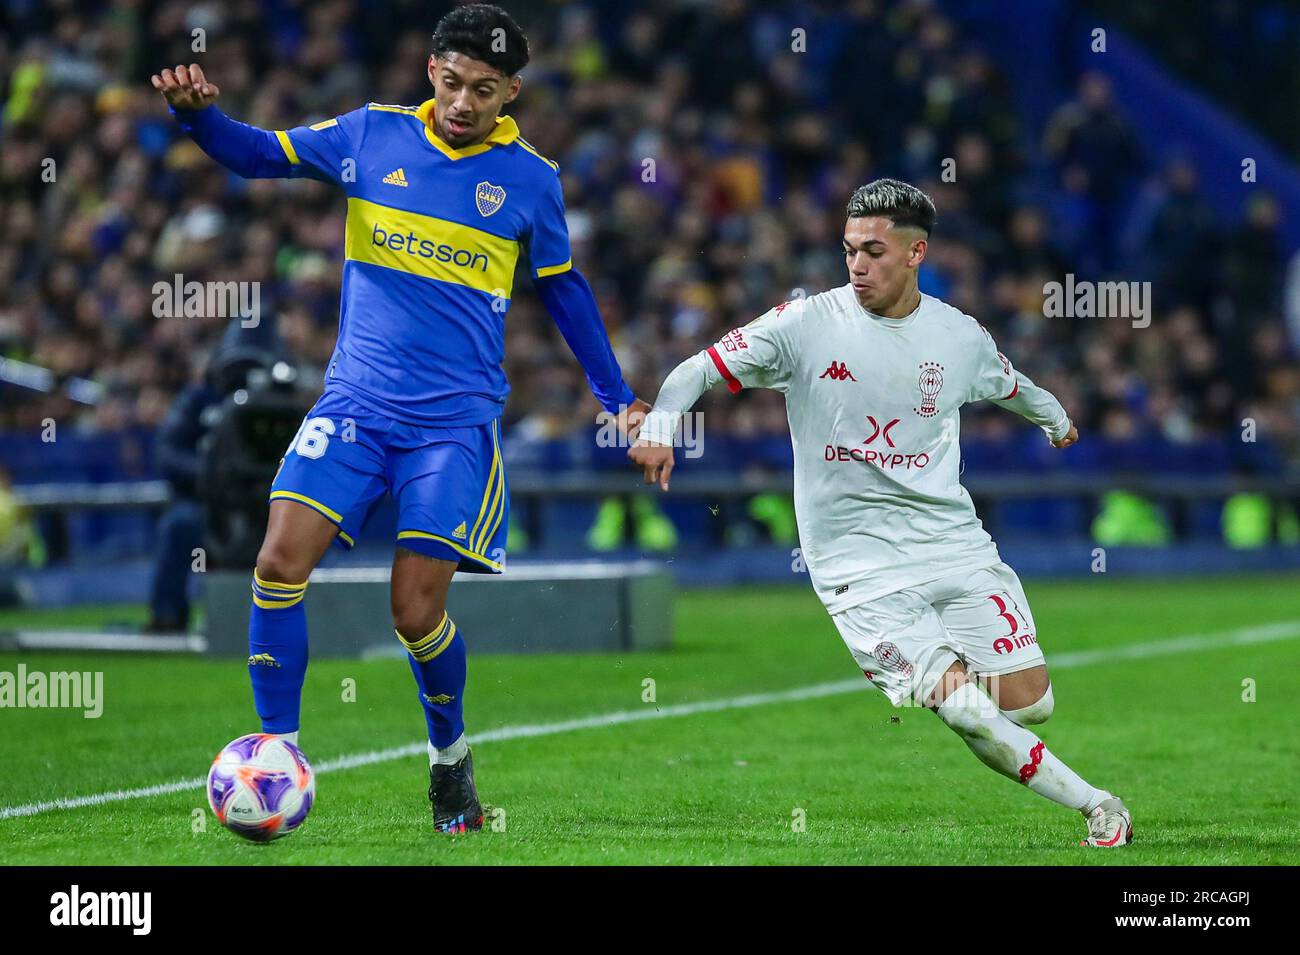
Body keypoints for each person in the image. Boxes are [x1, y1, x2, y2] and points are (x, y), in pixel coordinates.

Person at [151, 3, 647, 834]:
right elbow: (255, 155)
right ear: (431, 73)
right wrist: (200, 117)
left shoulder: (531, 178)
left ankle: (451, 765)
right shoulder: (368, 135)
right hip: (355, 404)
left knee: (414, 612)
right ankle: (277, 753)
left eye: (483, 91)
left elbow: (564, 289)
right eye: (452, 83)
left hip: (451, 426)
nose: (463, 102)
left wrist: (616, 398)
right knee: (276, 560)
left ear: (510, 92)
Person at [630, 178, 1133, 848]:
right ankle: (1099, 805)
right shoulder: (805, 325)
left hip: (952, 544)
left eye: (873, 250)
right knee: (966, 712)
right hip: (857, 568)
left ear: (916, 251)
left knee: (1027, 701)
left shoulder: (957, 335)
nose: (857, 265)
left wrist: (1058, 420)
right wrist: (663, 425)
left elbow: (1013, 385)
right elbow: (696, 369)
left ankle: (949, 665)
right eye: (848, 250)